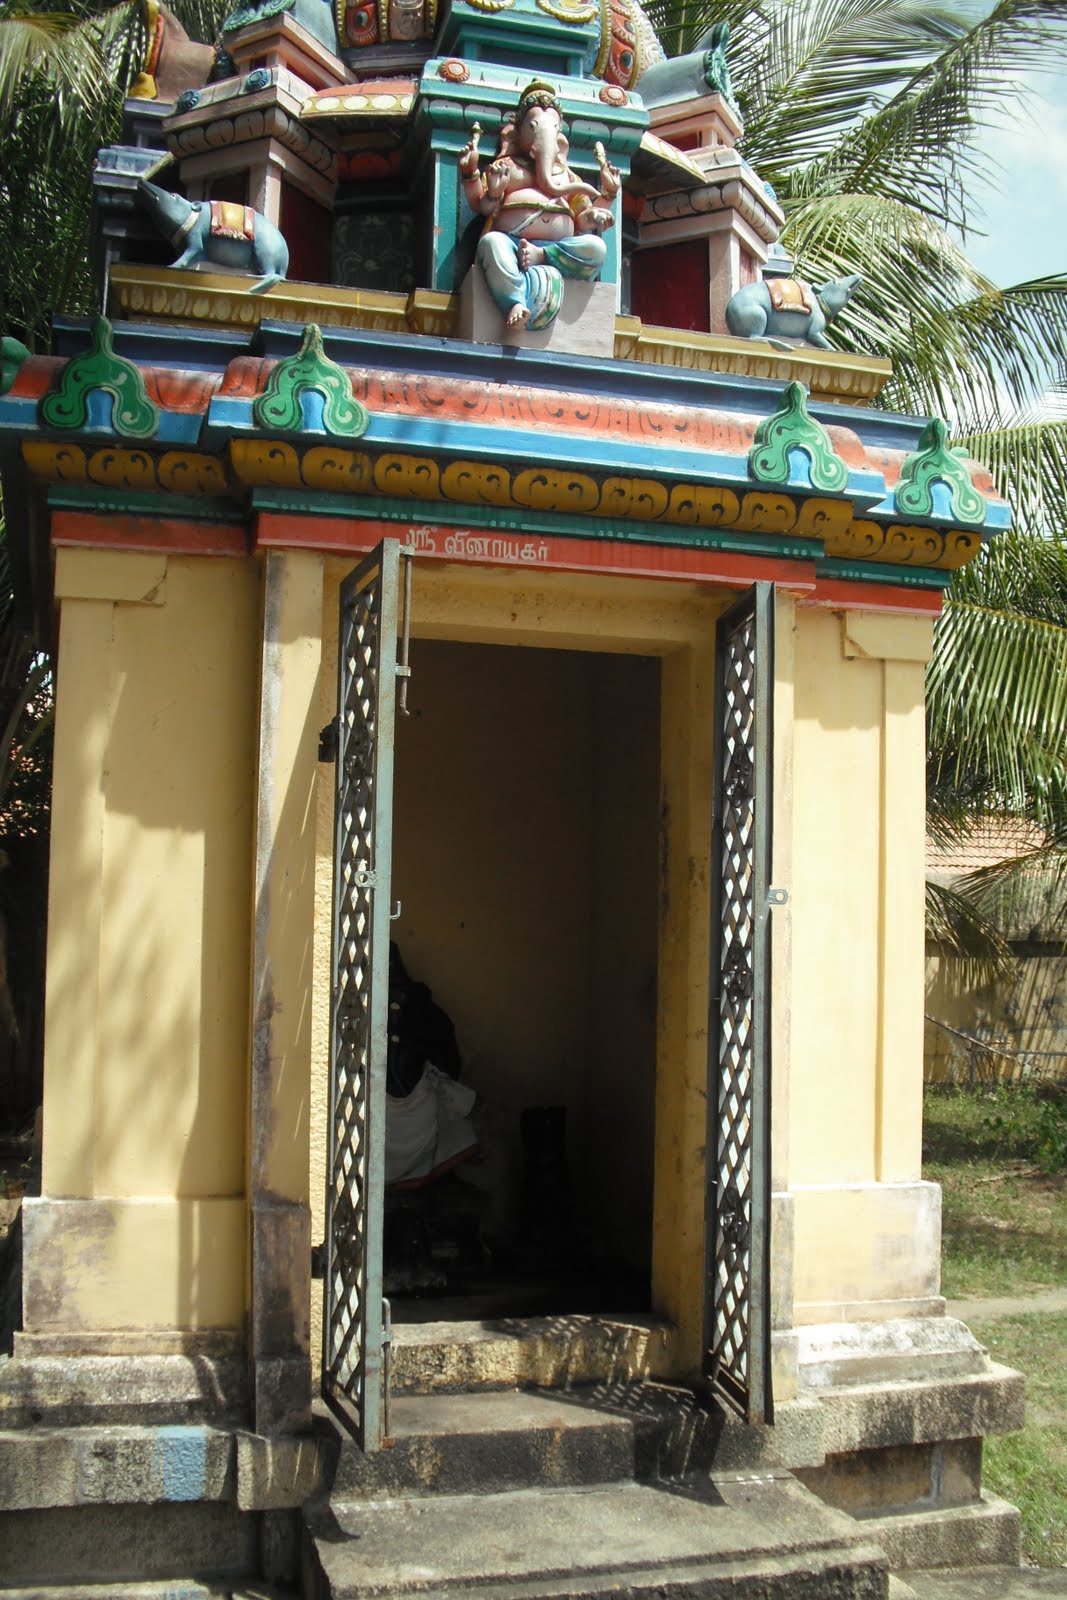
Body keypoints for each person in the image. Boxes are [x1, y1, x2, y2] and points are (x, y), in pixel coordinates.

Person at [458, 81, 621, 332]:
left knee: (596, 248)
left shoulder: (565, 175)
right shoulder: (507, 167)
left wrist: (605, 200)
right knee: (491, 244)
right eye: (532, 128)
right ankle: (514, 302)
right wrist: (476, 176)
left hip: (557, 250)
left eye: (552, 129)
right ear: (517, 132)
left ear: (559, 138)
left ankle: (541, 256)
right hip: (512, 245)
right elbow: (482, 205)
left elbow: (582, 219)